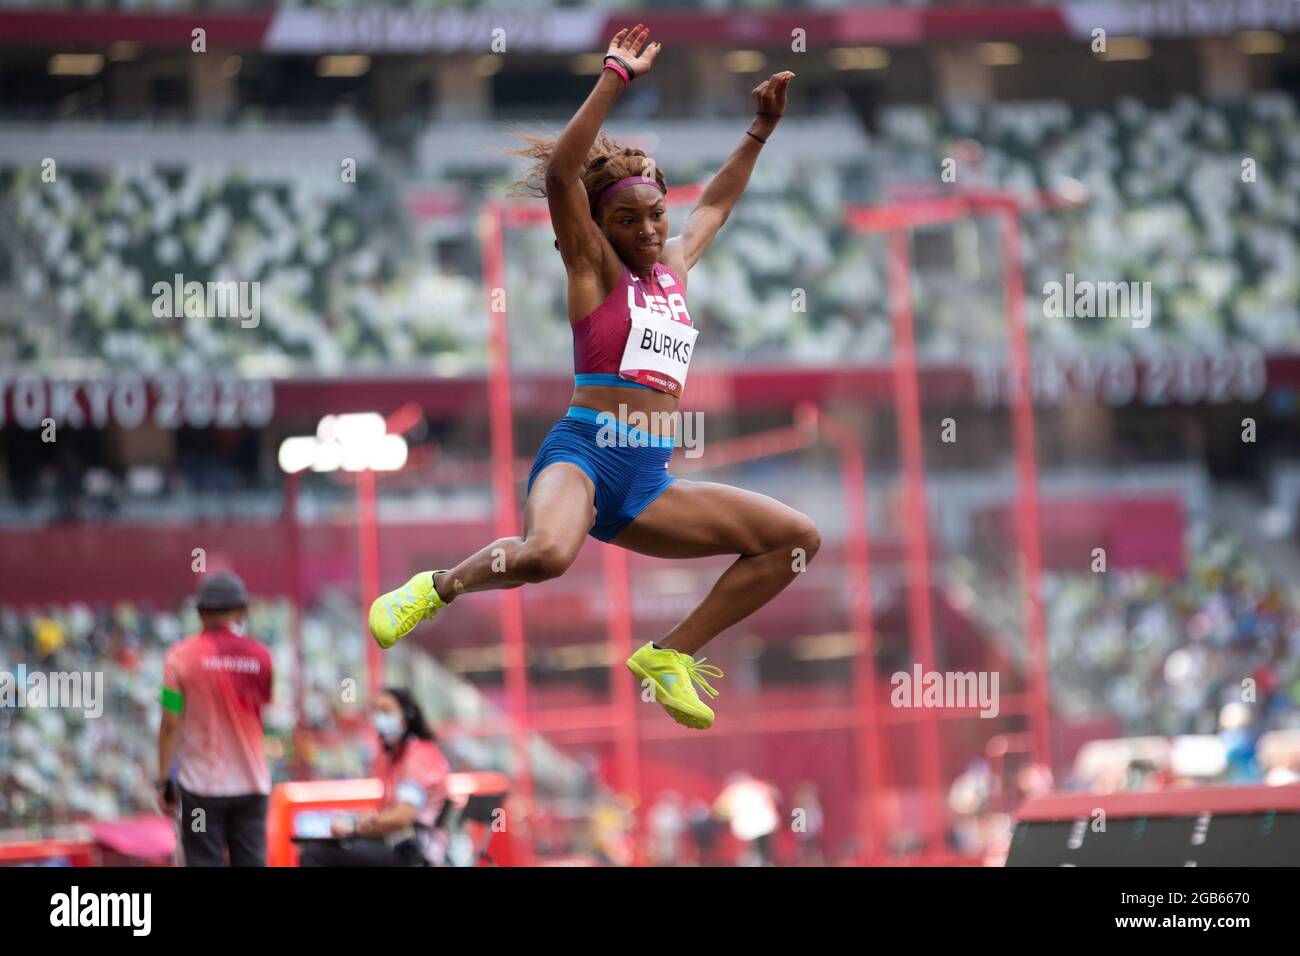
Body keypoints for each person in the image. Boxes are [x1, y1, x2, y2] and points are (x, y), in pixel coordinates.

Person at [367, 22, 819, 732]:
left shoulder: (673, 267)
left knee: (795, 540)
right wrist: (615, 77)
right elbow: (558, 176)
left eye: (654, 216)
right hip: (581, 454)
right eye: (627, 219)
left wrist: (759, 131)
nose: (646, 230)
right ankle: (438, 587)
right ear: (598, 228)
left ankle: (670, 656)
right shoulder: (593, 271)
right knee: (547, 556)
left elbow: (717, 205)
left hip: (646, 480)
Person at [155, 572, 273, 866]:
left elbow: (171, 723)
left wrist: (163, 782)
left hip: (202, 790)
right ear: (243, 610)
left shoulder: (179, 658)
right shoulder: (262, 657)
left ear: (199, 612)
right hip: (252, 785)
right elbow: (263, 708)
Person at [299, 688, 450, 867]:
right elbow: (393, 813)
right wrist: (361, 820)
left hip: (414, 852)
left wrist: (354, 827)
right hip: (399, 845)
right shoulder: (398, 757)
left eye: (386, 710)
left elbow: (403, 816)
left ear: (407, 715)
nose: (379, 718)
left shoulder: (419, 755)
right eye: (376, 711)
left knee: (315, 854)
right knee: (326, 848)